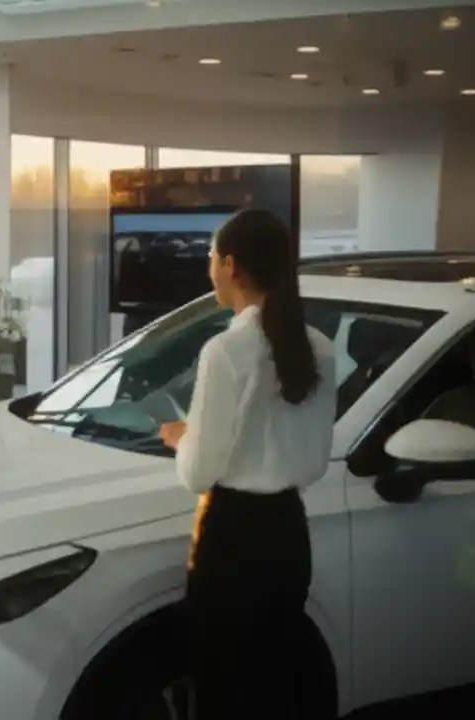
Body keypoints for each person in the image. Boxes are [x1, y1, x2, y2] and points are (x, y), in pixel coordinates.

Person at [158, 209, 336, 719]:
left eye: (212, 259)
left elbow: (197, 473)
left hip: (232, 539)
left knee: (224, 689)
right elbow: (313, 459)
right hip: (287, 534)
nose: (209, 269)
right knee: (273, 686)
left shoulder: (226, 350)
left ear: (231, 265)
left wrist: (183, 438)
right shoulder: (320, 348)